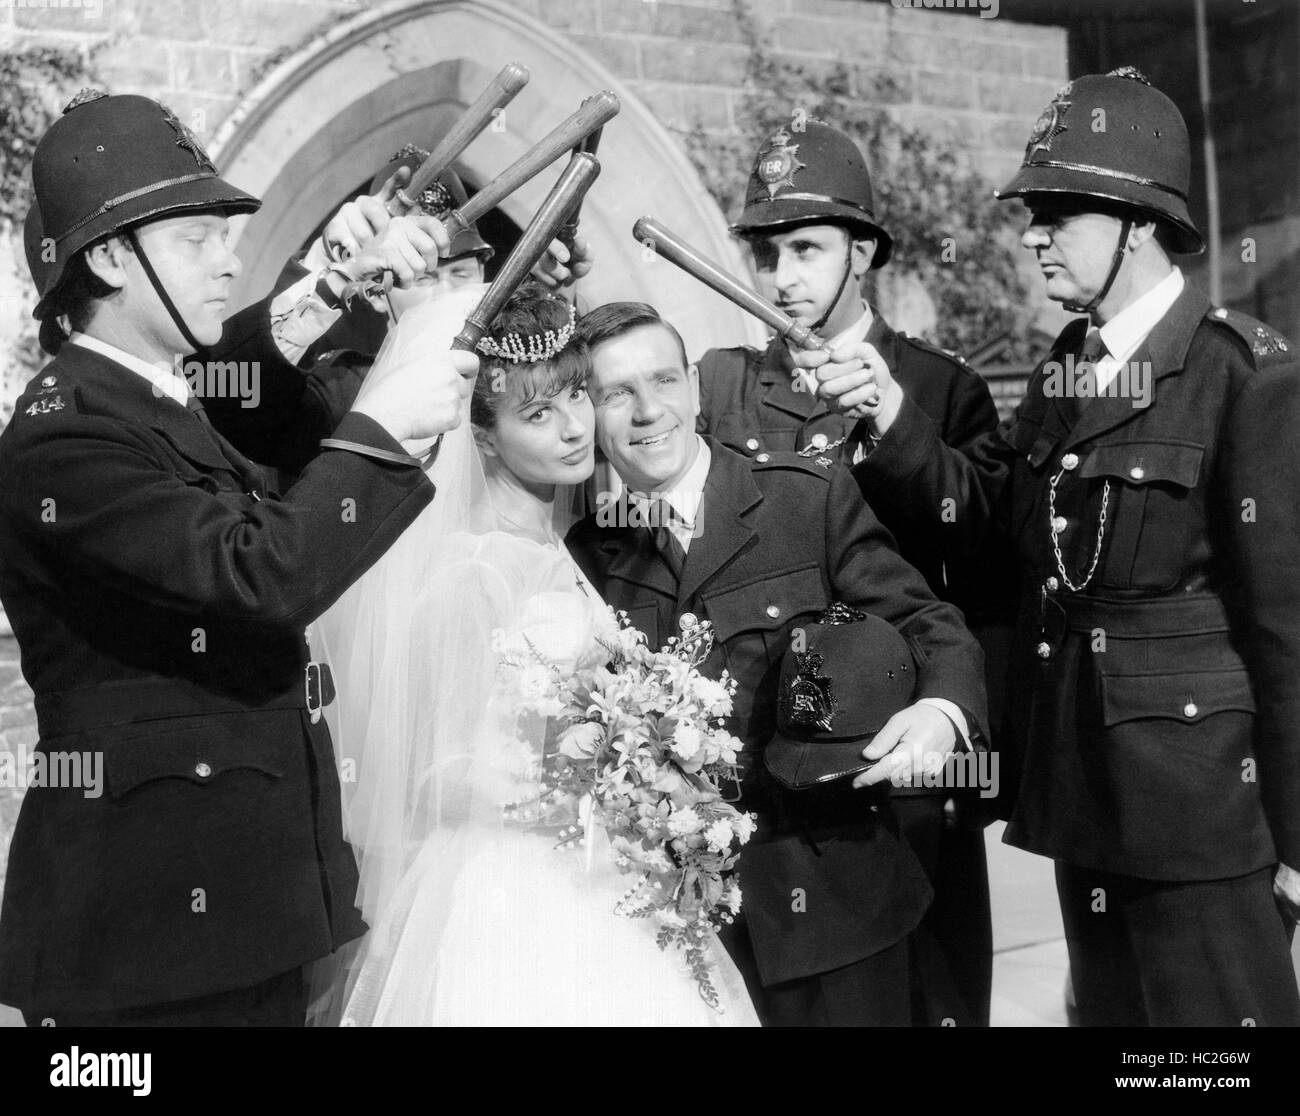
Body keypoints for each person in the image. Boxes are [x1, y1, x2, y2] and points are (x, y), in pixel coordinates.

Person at [805, 68, 1300, 1026]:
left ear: (1141, 225)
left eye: (1061, 211)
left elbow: (1286, 627)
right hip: (1086, 798)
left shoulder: (1242, 373)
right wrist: (894, 412)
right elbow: (999, 532)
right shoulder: (1065, 369)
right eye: (1034, 209)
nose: (1032, 231)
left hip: (1204, 816)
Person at [0, 90, 477, 1026]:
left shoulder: (148, 397)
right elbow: (259, 576)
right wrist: (390, 415)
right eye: (198, 241)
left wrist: (335, 278)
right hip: (150, 926)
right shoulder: (63, 437)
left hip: (242, 906)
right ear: (106, 256)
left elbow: (242, 403)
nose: (231, 260)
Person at [312, 284, 759, 1026]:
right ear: (482, 437)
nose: (576, 427)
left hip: (598, 864)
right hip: (514, 885)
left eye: (578, 395)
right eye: (537, 413)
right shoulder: (473, 571)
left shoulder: (561, 543)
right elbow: (436, 775)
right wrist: (599, 776)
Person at [566, 301, 989, 1027]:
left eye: (663, 381)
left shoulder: (804, 496)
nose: (646, 412)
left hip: (835, 903)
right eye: (616, 394)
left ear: (696, 390)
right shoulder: (587, 555)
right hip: (683, 930)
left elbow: (930, 625)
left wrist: (940, 714)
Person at [696, 119, 1003, 1026]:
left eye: (807, 248)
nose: (783, 276)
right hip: (770, 769)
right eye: (767, 253)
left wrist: (893, 420)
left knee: (931, 996)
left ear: (861, 251)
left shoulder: (941, 386)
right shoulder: (722, 384)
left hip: (909, 760)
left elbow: (986, 545)